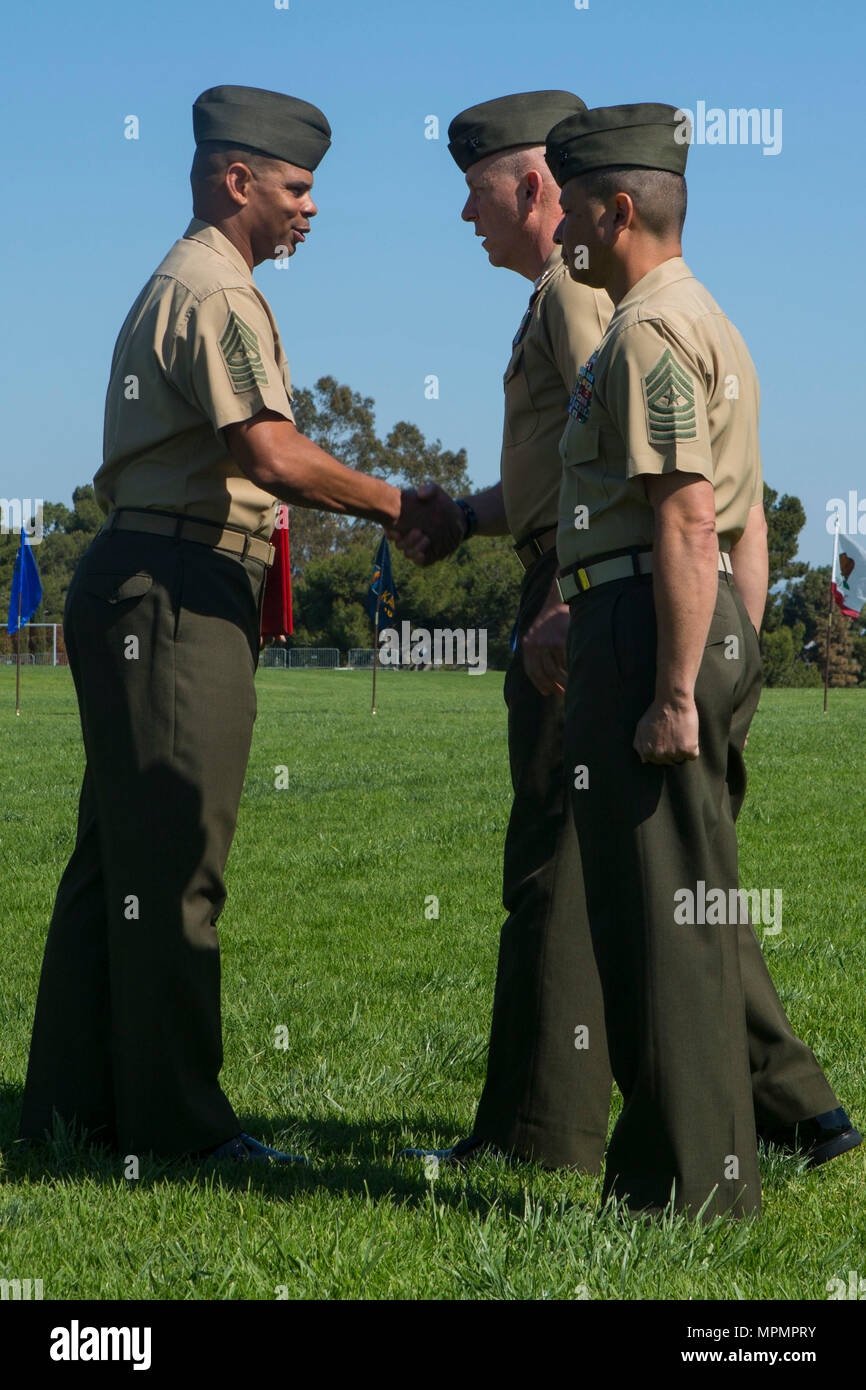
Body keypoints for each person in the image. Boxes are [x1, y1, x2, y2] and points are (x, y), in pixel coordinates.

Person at [18, 83, 460, 1167]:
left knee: (115, 856)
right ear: (238, 179)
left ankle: (73, 1109)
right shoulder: (216, 291)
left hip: (145, 573)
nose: (311, 209)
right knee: (174, 862)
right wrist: (402, 505)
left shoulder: (186, 280)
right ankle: (177, 1128)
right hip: (177, 586)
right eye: (298, 187)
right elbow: (266, 452)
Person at [544, 101, 859, 1217]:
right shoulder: (710, 320)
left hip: (651, 628)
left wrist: (678, 686)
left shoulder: (642, 332)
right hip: (684, 614)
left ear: (615, 208)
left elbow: (682, 516)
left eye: (571, 209)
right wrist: (729, 647)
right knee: (692, 907)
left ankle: (689, 1190)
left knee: (659, 920)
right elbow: (744, 524)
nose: (558, 230)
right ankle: (714, 1161)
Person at [395, 90, 615, 1170]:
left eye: (474, 194)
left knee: (549, 865)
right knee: (576, 858)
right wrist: (465, 517)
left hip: (566, 593)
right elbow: (551, 465)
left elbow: (611, 442)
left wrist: (574, 592)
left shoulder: (571, 290)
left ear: (531, 186)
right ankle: (783, 1101)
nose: (465, 217)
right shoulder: (554, 289)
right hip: (556, 571)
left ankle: (535, 1138)